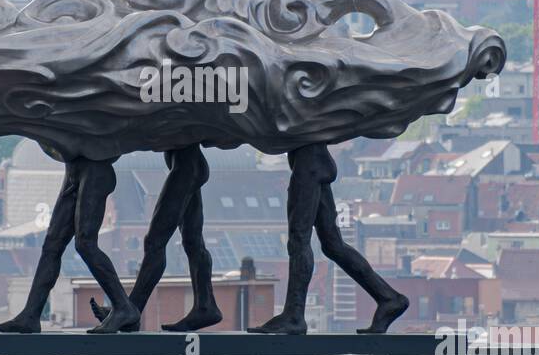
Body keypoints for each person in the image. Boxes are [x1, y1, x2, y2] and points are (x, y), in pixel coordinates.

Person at [249, 143, 409, 335]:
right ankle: (388, 298)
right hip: (313, 162)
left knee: (299, 239)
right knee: (332, 244)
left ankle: (294, 316)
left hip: (309, 166)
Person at [0, 148, 138, 334]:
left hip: (95, 171)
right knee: (51, 245)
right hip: (73, 171)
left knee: (85, 244)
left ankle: (123, 307)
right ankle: (30, 316)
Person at [90, 144, 222, 332]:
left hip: (185, 170)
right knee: (192, 240)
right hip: (189, 166)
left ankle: (131, 311)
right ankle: (205, 305)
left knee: (155, 242)